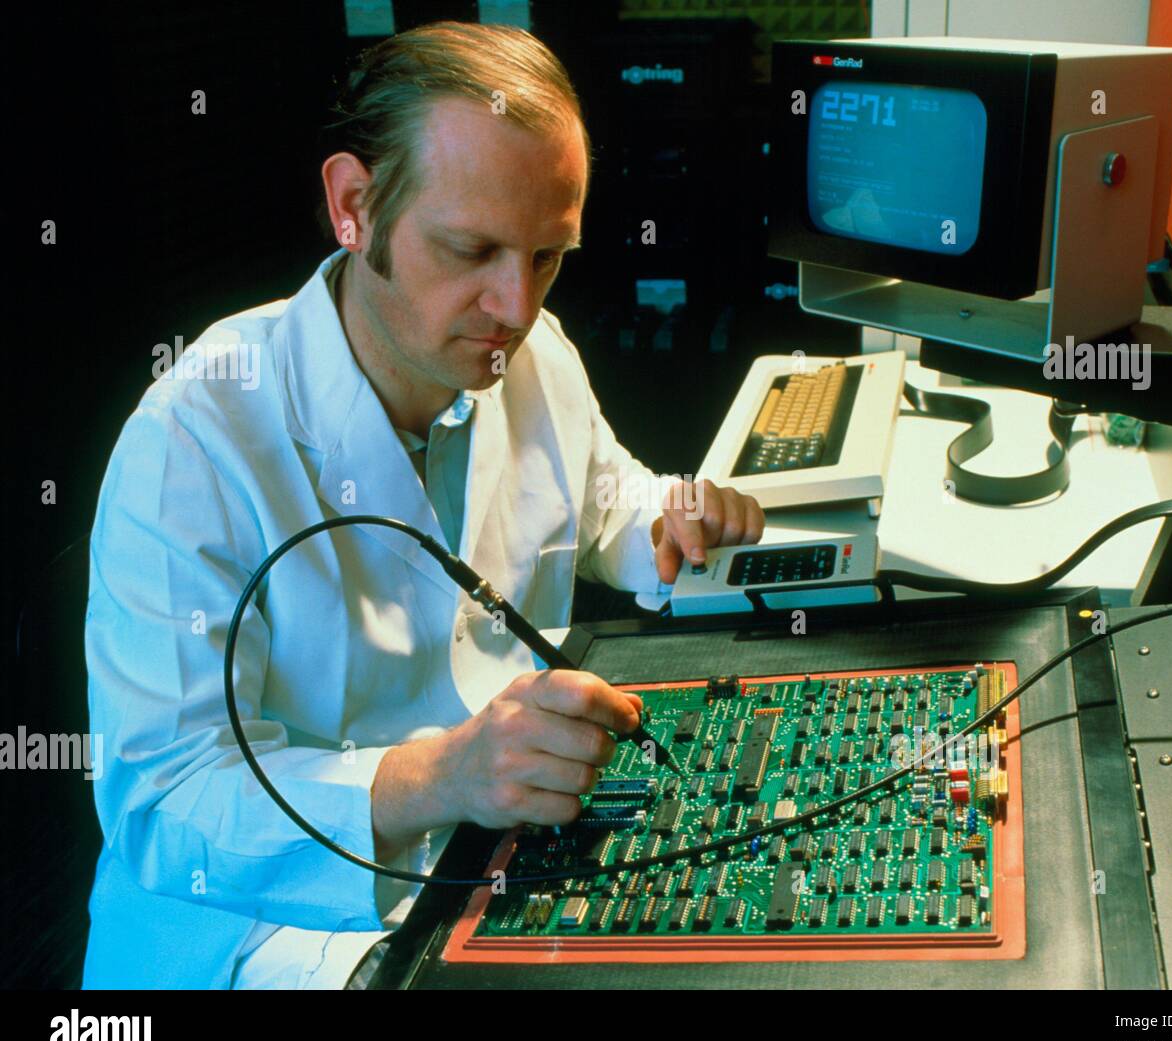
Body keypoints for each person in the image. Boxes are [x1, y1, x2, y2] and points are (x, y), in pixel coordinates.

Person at [83, 21, 764, 989]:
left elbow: (608, 501)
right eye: (473, 248)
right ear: (354, 205)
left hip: (477, 861)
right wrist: (437, 775)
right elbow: (165, 803)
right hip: (253, 933)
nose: (516, 305)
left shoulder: (533, 353)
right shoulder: (192, 438)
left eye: (547, 256)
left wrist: (671, 520)